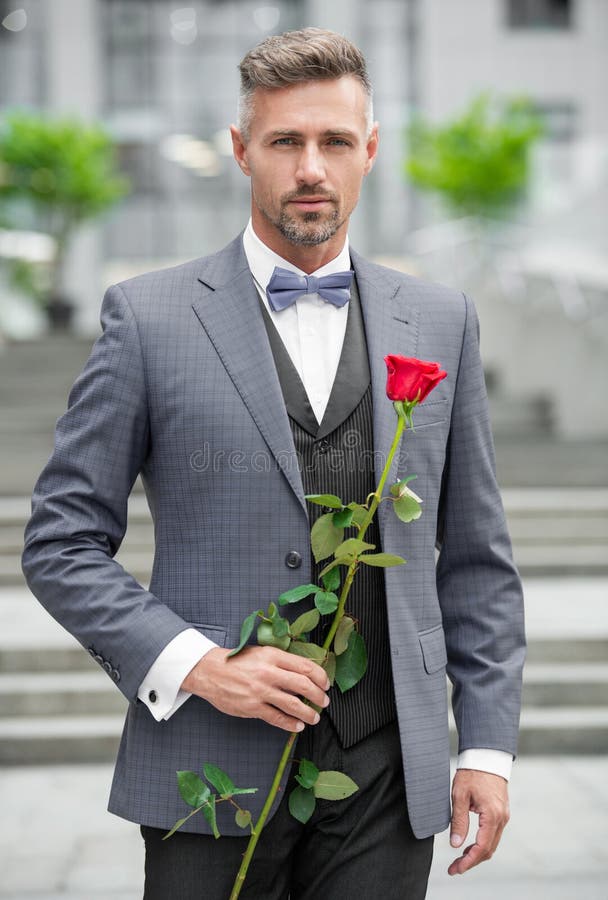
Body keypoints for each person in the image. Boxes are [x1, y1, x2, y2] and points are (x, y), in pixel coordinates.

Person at [22, 27, 525, 900]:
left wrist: (484, 747)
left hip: (385, 773)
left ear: (369, 151)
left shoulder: (443, 322)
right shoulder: (148, 319)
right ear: (240, 151)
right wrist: (199, 664)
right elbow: (59, 543)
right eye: (284, 142)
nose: (310, 169)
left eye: (334, 142)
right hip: (208, 776)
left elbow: (477, 559)